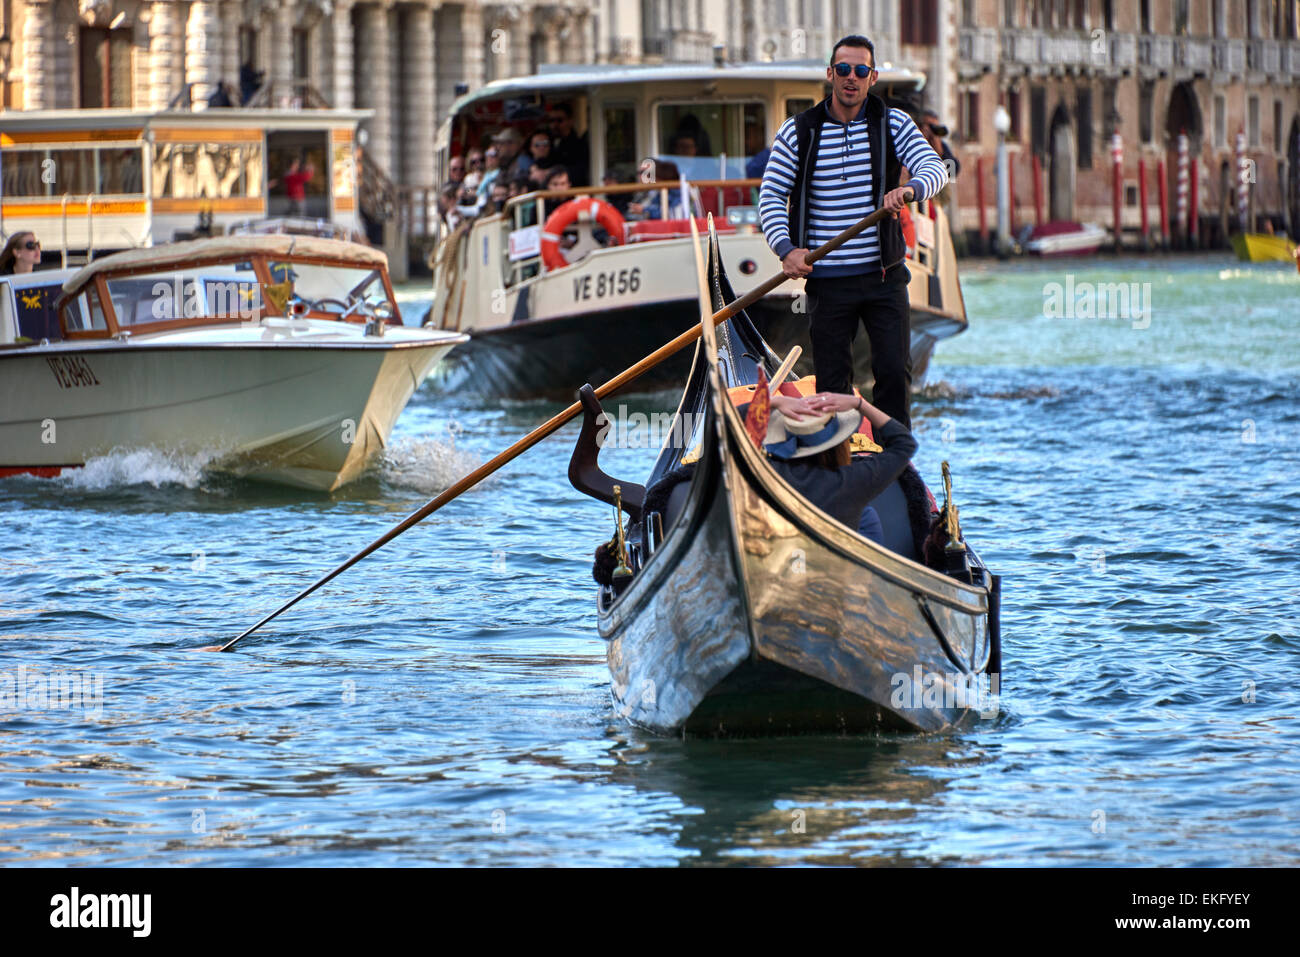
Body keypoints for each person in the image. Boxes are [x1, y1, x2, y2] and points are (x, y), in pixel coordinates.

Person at [759, 34, 949, 428]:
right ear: (830, 74)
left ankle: (894, 463)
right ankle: (838, 463)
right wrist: (786, 249)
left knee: (894, 376)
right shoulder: (798, 132)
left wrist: (909, 189)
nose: (851, 77)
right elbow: (772, 196)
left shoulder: (893, 124)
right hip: (828, 282)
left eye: (861, 70)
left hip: (884, 278)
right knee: (832, 387)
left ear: (872, 77)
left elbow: (935, 170)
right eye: (843, 69)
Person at [745, 389, 916, 544]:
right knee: (867, 515)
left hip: (791, 564)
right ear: (841, 442)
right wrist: (859, 404)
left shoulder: (772, 471)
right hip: (841, 573)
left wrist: (771, 402)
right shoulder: (851, 482)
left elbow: (722, 425)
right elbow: (905, 443)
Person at [546, 102, 590, 186]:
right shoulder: (549, 142)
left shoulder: (578, 145)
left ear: (570, 121)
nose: (554, 125)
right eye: (551, 120)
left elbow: (579, 172)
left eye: (559, 120)